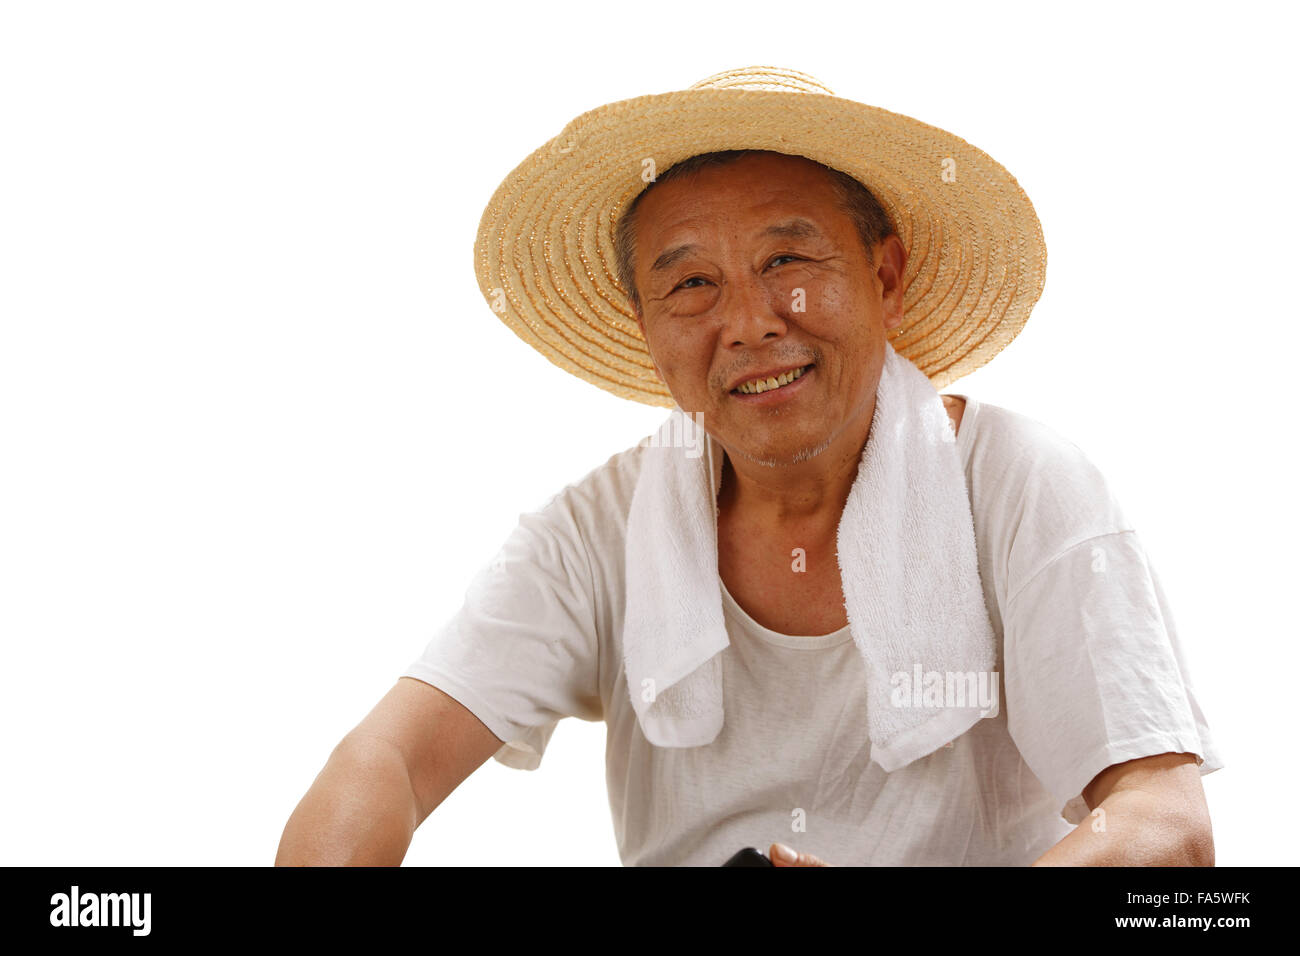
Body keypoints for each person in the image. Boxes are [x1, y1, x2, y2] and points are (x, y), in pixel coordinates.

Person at [276, 66, 1221, 867]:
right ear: (648, 331)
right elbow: (386, 761)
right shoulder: (598, 531)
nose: (753, 322)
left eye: (789, 259)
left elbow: (1162, 819)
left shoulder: (1019, 482)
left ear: (884, 278)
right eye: (691, 284)